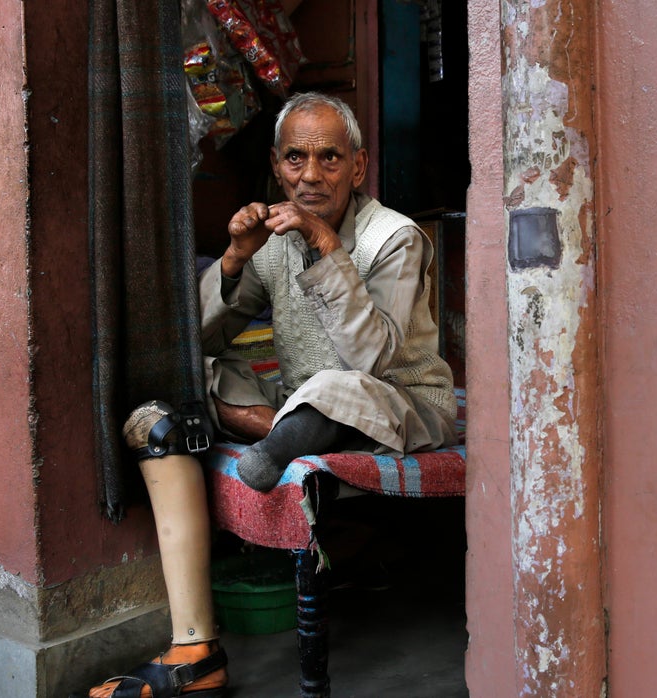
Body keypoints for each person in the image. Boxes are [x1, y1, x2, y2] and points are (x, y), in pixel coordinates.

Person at [83, 92, 457, 698]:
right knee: (199, 372)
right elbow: (201, 337)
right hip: (299, 400)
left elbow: (374, 358)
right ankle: (277, 432)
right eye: (295, 160)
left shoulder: (395, 237)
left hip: (399, 402)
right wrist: (233, 260)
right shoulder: (275, 239)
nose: (311, 176)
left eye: (329, 159)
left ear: (357, 168)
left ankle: (278, 435)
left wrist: (328, 248)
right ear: (277, 166)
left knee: (337, 386)